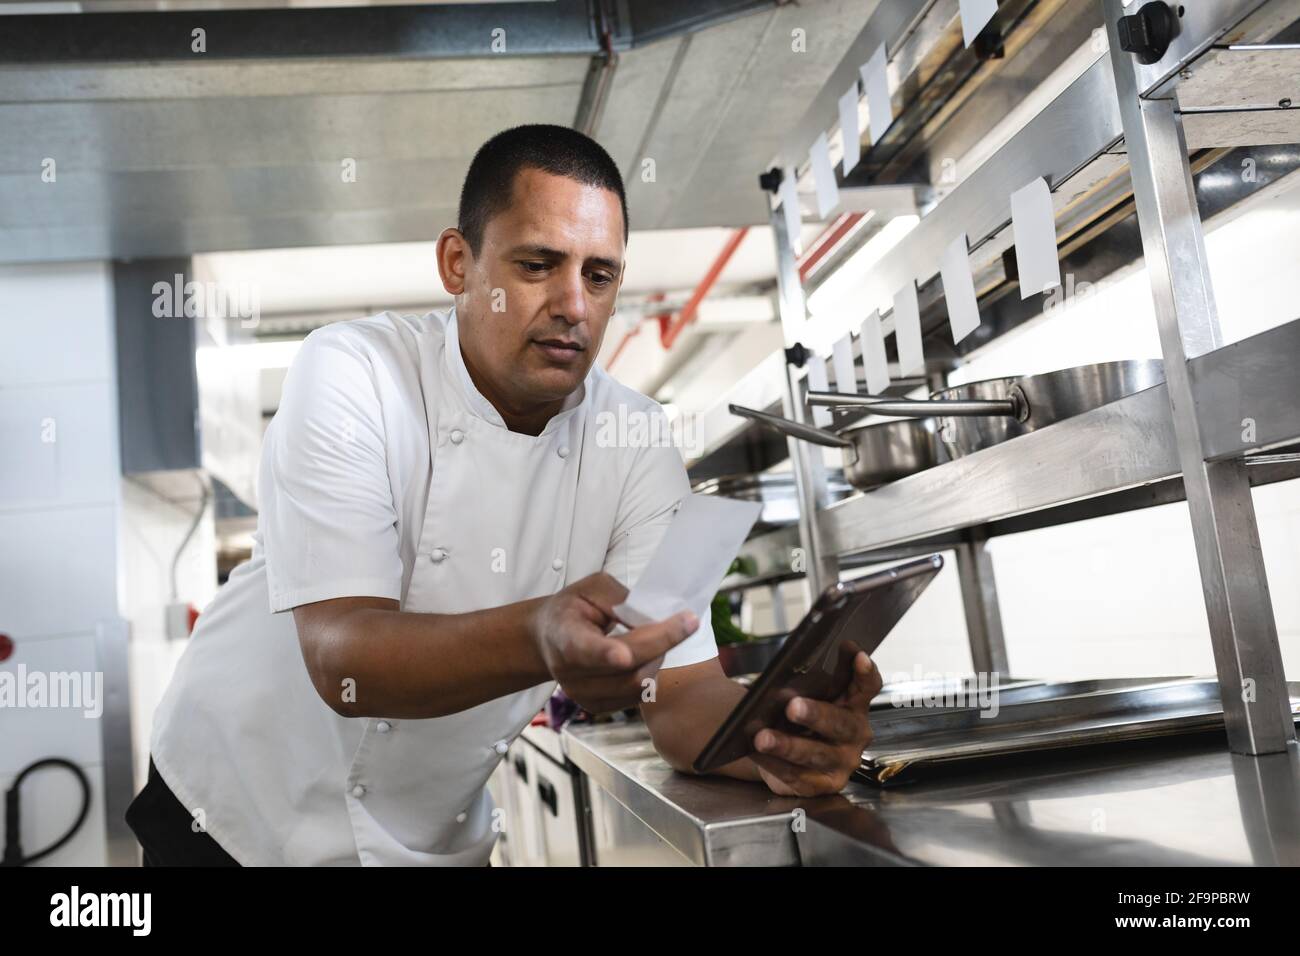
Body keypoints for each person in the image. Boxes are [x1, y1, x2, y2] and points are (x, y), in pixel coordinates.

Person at [126, 124, 881, 866]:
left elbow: (679, 699)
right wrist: (540, 637)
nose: (573, 305)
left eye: (599, 275)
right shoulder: (355, 373)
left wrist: (785, 737)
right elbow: (342, 658)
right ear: (459, 263)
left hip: (425, 840)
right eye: (537, 264)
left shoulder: (637, 442)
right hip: (225, 817)